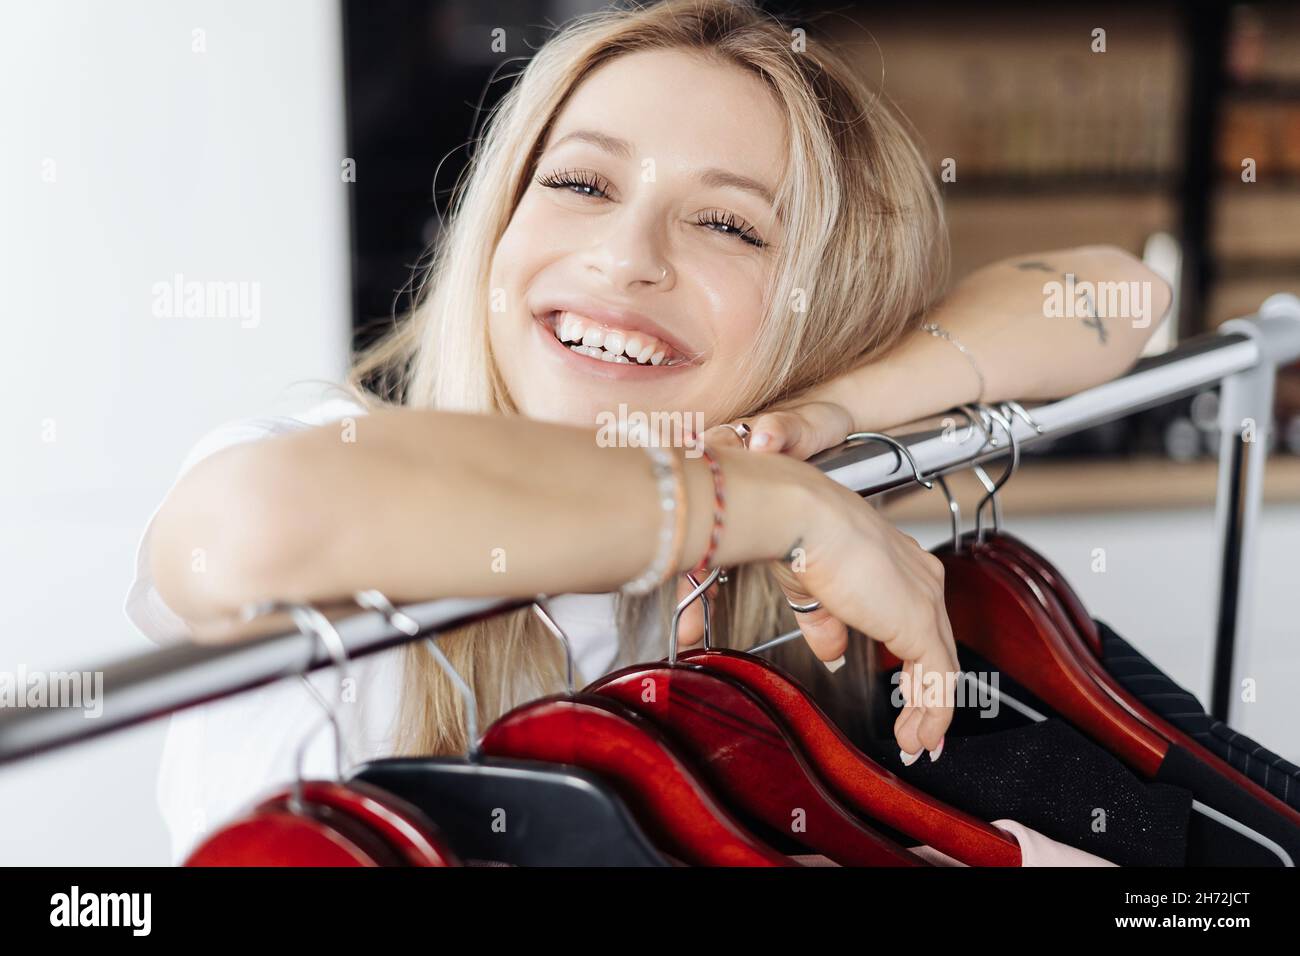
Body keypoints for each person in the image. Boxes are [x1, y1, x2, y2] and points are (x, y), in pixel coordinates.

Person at [124, 0, 1170, 861]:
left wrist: (833, 411)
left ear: (821, 304)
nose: (626, 255)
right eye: (580, 182)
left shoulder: (777, 509)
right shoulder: (321, 450)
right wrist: (772, 505)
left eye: (727, 223)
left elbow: (1121, 298)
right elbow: (253, 520)